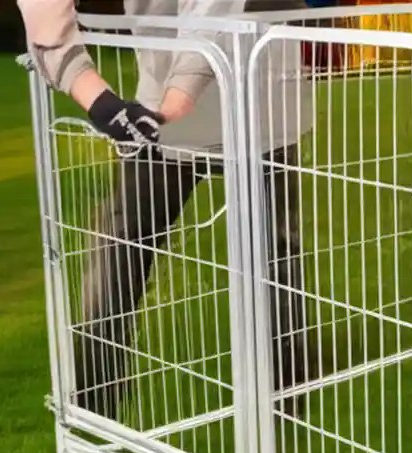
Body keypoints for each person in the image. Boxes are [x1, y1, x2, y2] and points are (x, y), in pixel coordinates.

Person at [18, 0, 316, 421]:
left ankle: (285, 393)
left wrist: (165, 108)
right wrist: (102, 102)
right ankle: (91, 403)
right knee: (124, 245)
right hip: (172, 111)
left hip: (256, 99)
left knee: (274, 250)